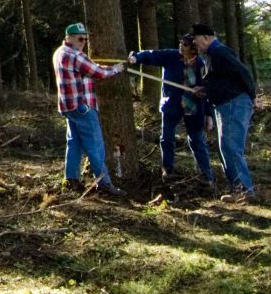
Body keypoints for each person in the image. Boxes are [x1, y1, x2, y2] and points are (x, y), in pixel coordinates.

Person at [126, 34, 214, 187]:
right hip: (171, 104)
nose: (181, 46)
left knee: (197, 141)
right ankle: (168, 171)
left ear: (193, 48)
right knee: (166, 138)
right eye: (180, 42)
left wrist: (208, 114)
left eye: (185, 44)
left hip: (193, 106)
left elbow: (208, 92)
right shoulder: (171, 56)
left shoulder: (201, 64)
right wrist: (136, 57)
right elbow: (153, 55)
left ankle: (207, 177)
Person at [187, 22, 258, 201]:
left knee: (231, 146)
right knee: (224, 147)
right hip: (223, 105)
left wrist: (253, 95)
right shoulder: (211, 55)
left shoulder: (219, 52)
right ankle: (237, 188)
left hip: (235, 103)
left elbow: (243, 72)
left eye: (195, 39)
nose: (194, 43)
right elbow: (218, 80)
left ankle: (244, 190)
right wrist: (203, 89)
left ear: (206, 37)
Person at [53, 22, 126, 196]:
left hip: (68, 107)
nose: (83, 42)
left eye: (85, 38)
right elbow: (99, 73)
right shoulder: (75, 55)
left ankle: (71, 180)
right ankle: (104, 184)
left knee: (74, 144)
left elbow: (88, 71)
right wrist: (116, 69)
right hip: (83, 107)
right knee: (95, 146)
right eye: (80, 38)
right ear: (69, 37)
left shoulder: (59, 53)